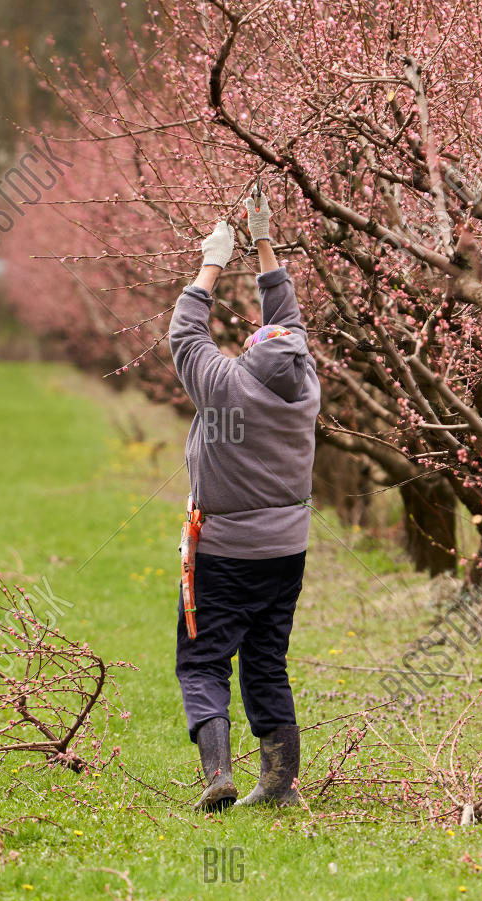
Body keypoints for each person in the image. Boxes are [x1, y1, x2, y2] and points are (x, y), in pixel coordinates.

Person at [168, 190, 319, 811]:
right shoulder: (303, 385)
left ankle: (218, 775)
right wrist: (263, 244)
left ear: (255, 352)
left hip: (224, 553)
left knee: (203, 662)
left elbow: (184, 333)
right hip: (286, 552)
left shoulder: (225, 385)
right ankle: (279, 785)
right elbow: (290, 323)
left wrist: (211, 262)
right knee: (266, 660)